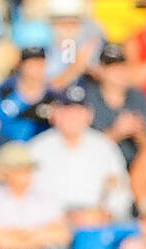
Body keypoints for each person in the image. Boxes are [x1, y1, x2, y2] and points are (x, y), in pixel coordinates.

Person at [28, 84, 134, 226]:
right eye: (66, 111)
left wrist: (106, 213)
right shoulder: (37, 148)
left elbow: (120, 189)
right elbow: (26, 192)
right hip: (51, 223)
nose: (72, 117)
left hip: (94, 221)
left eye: (78, 111)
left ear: (89, 115)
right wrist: (58, 217)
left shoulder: (105, 147)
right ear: (55, 114)